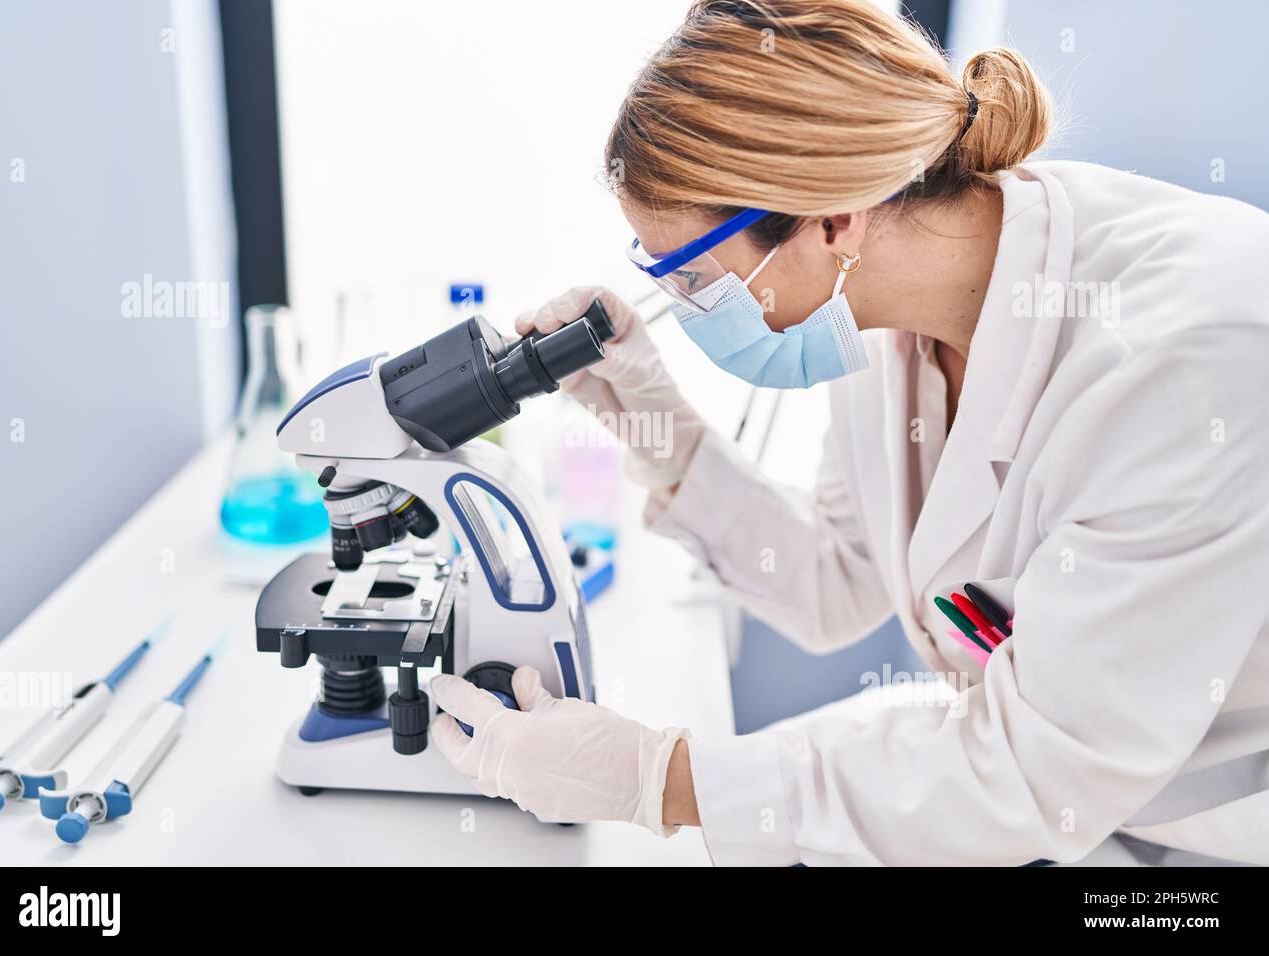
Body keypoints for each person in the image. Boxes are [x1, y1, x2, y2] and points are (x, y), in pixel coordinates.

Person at [429, 0, 1269, 866]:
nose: (682, 309)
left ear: (833, 219)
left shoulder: (1184, 352)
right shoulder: (876, 317)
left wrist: (660, 779)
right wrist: (661, 433)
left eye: (693, 278)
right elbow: (838, 585)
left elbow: (1036, 770)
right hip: (1090, 816)